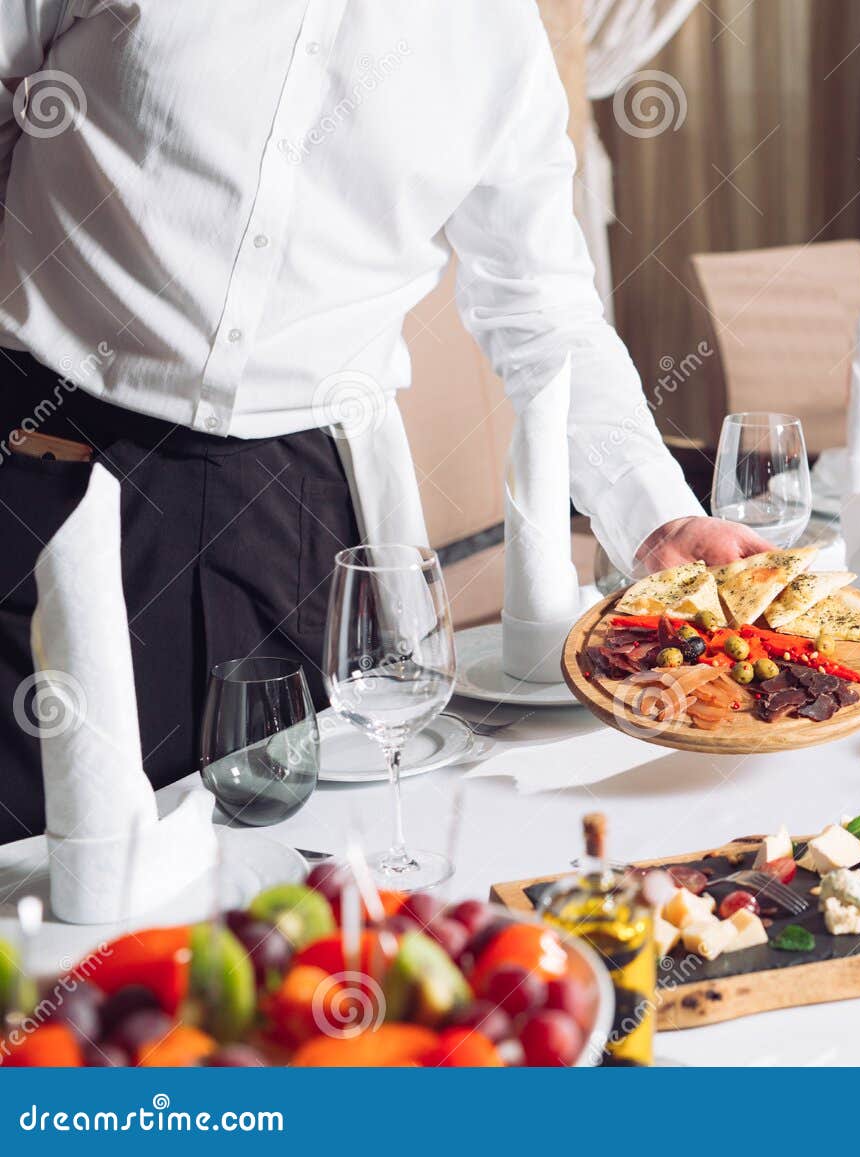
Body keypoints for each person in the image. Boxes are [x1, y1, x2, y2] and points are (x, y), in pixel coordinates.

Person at [0, 2, 767, 844]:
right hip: (50, 459)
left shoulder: (495, 37)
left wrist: (656, 513)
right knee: (32, 855)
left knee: (275, 863)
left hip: (294, 512)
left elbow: (542, 308)